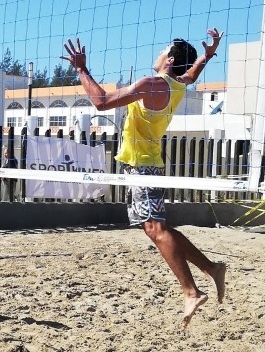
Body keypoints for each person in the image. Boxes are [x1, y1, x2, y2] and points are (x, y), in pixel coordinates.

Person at [62, 29, 227, 329]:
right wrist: (207, 55)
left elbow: (101, 101)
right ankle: (212, 268)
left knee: (156, 229)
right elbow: (191, 75)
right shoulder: (177, 86)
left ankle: (191, 291)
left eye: (163, 49)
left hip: (143, 166)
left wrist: (81, 69)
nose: (159, 52)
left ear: (170, 59)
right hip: (148, 163)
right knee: (155, 229)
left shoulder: (152, 84)